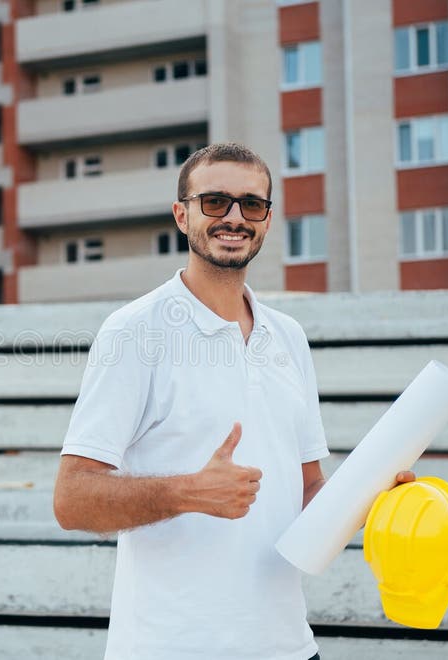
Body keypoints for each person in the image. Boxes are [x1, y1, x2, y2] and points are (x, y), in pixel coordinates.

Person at [53, 142, 414, 660]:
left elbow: (309, 489)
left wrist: (369, 499)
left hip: (288, 647)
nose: (234, 218)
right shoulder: (136, 331)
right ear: (182, 214)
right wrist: (187, 492)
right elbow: (71, 501)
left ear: (268, 220)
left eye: (252, 204)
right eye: (215, 201)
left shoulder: (287, 336)